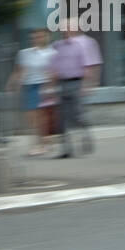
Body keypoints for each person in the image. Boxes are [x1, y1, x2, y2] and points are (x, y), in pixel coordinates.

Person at [50, 18, 102, 158]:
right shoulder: (57, 46)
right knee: (62, 119)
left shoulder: (83, 44)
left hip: (77, 83)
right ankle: (66, 149)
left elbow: (90, 66)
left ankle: (86, 135)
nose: (64, 30)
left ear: (75, 28)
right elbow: (53, 68)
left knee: (78, 115)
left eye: (67, 27)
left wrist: (89, 84)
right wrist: (51, 87)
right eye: (62, 27)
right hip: (62, 83)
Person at [8, 27, 55, 156]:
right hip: (28, 86)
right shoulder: (24, 53)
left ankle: (41, 144)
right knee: (31, 118)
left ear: (47, 37)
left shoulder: (52, 53)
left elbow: (54, 72)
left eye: (41, 36)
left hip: (44, 86)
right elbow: (19, 70)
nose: (37, 38)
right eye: (35, 36)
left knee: (41, 117)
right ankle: (42, 142)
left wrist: (51, 87)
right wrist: (13, 83)